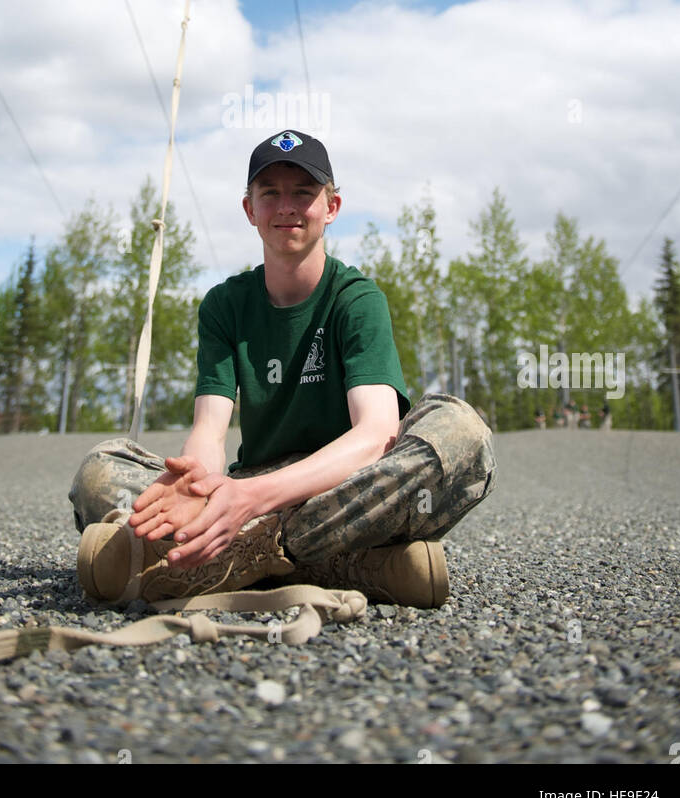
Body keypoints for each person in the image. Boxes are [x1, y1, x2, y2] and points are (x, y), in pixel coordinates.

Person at [70, 130, 497, 609]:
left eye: (303, 193)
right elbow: (209, 430)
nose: (286, 207)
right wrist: (197, 487)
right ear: (250, 209)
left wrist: (255, 500)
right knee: (101, 470)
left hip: (343, 487)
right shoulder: (224, 305)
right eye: (270, 193)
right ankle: (348, 565)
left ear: (331, 207)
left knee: (462, 432)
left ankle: (230, 556)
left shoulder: (356, 299)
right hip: (256, 486)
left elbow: (377, 433)